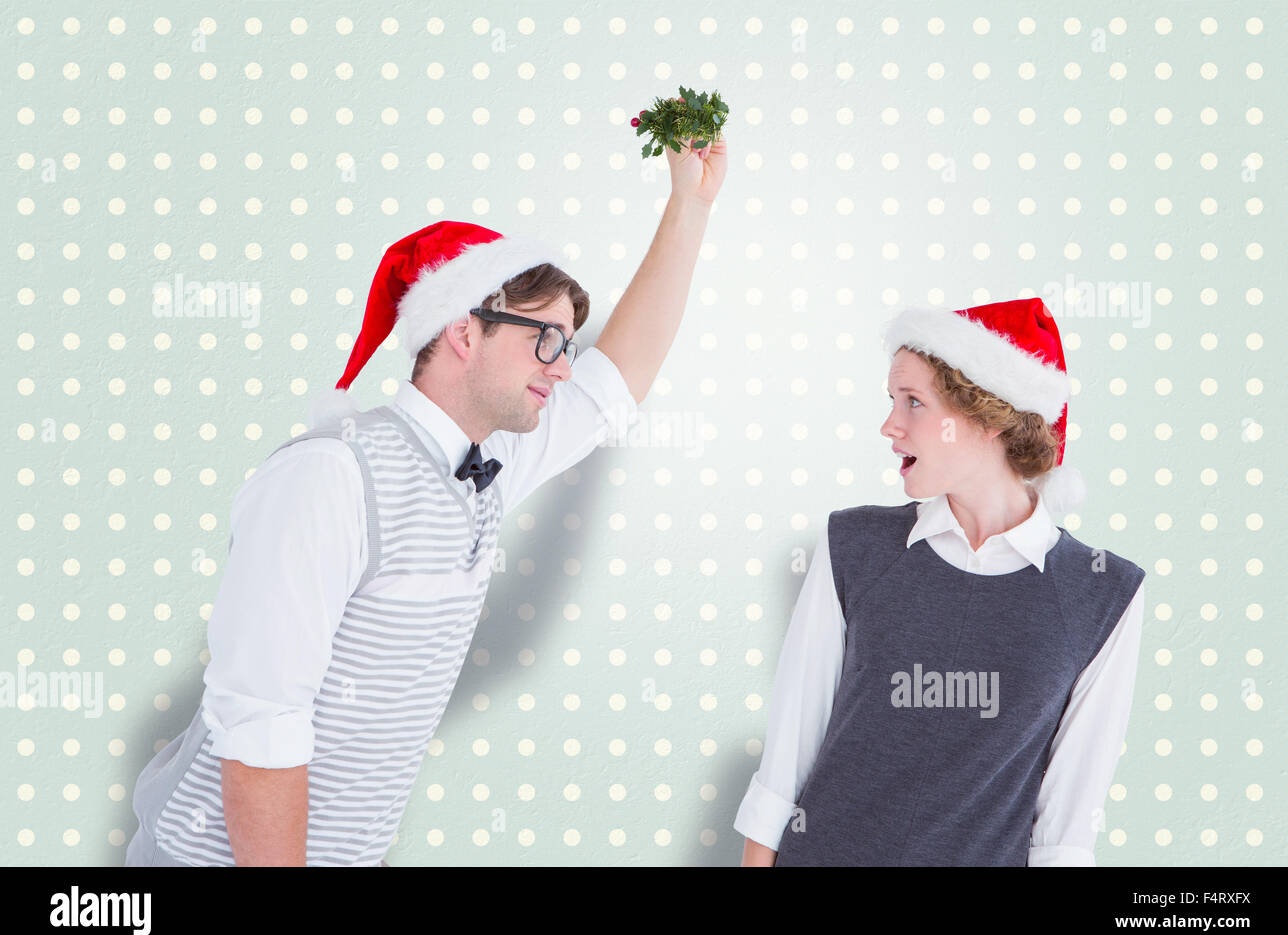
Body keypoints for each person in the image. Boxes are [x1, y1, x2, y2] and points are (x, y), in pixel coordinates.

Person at [124, 135, 727, 866]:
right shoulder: (330, 478)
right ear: (464, 329)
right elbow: (260, 726)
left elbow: (614, 386)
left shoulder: (488, 463)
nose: (564, 369)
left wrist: (688, 206)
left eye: (567, 346)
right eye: (547, 340)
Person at [733, 297, 1146, 866]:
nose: (889, 425)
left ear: (985, 418)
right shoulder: (853, 546)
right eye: (891, 401)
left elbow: (1065, 831)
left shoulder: (1103, 594)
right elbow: (786, 760)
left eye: (913, 403)